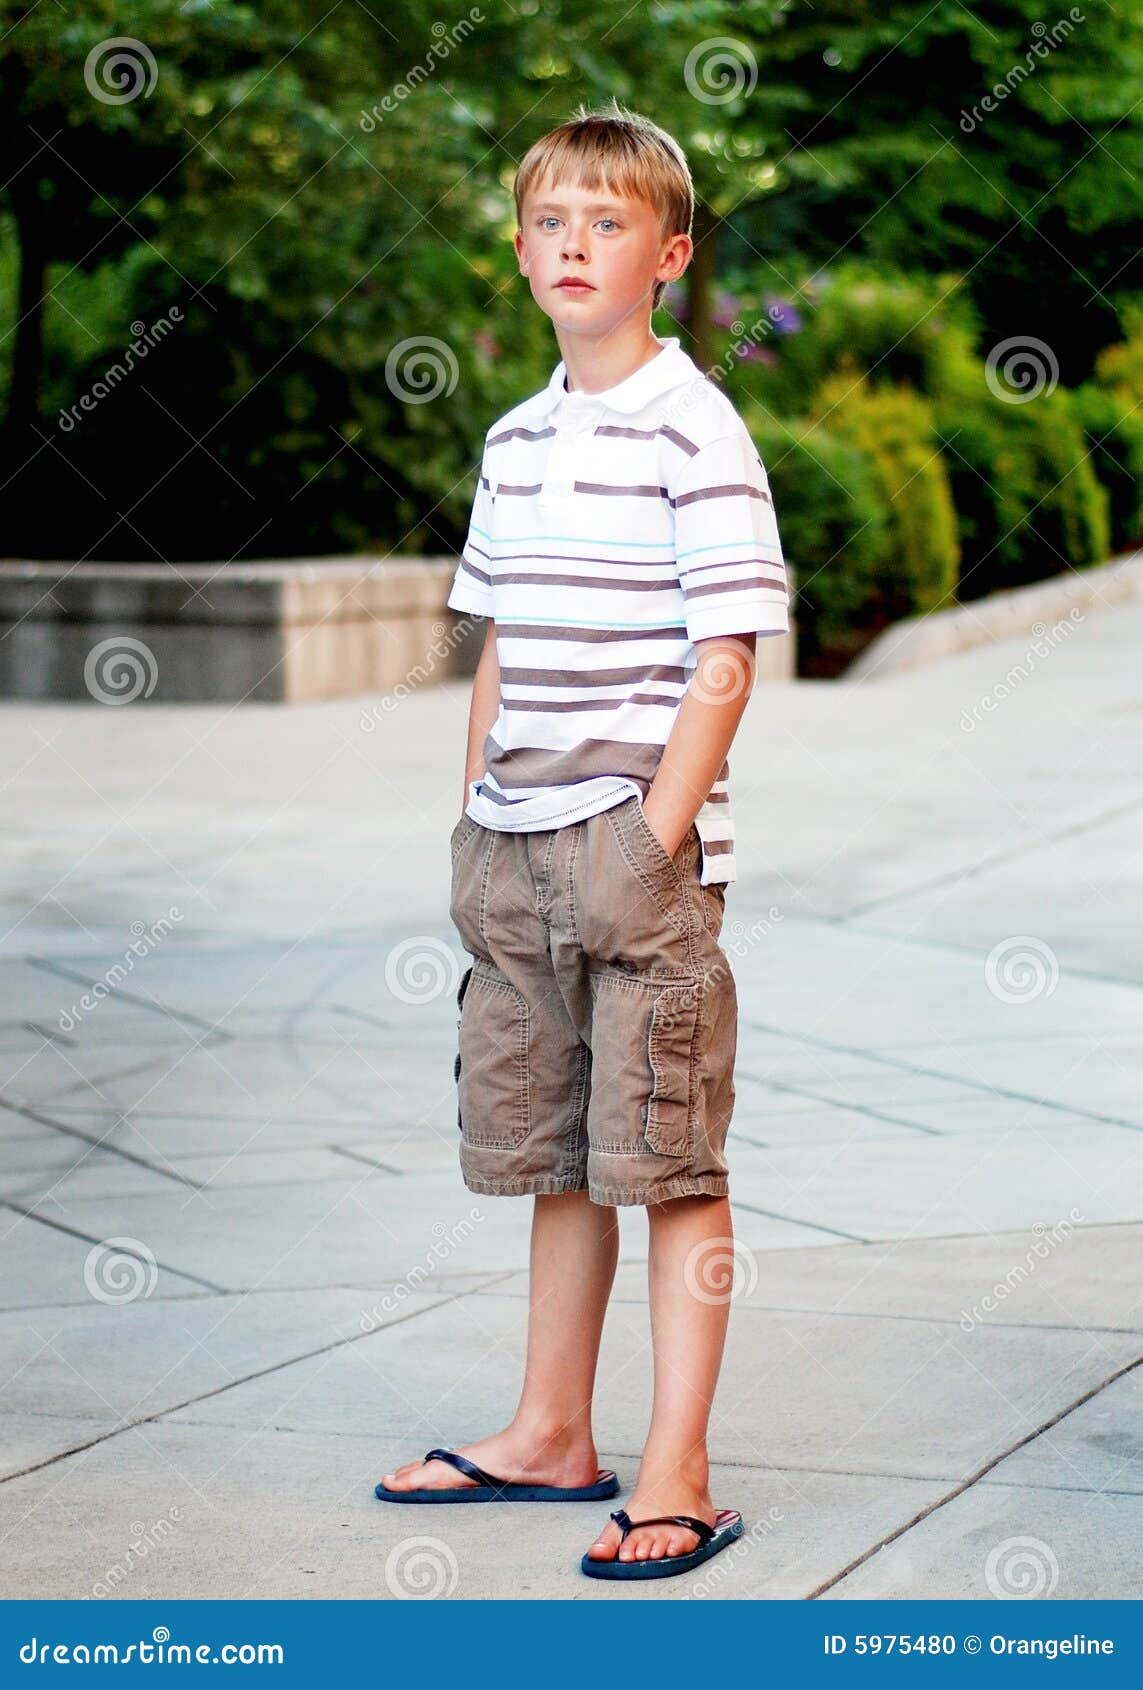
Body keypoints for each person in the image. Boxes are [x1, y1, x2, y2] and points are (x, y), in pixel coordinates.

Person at [376, 99, 790, 1583]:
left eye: (606, 221)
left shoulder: (695, 425)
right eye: (550, 219)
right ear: (518, 248)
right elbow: (492, 641)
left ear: (667, 254)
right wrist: (475, 814)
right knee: (558, 1153)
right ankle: (553, 1430)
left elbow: (728, 650)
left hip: (637, 859)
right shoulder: (515, 434)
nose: (572, 242)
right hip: (515, 848)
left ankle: (676, 1466)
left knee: (666, 1157)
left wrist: (648, 842)